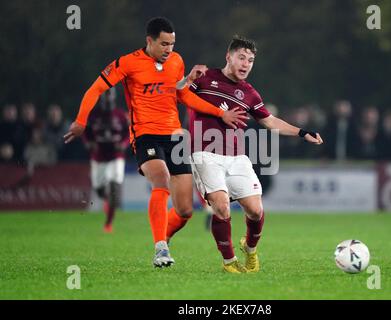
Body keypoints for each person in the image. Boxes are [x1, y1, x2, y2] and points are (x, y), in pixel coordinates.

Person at [63, 17, 246, 268]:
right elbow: (95, 89)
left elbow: (181, 95)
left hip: (173, 135)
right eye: (163, 44)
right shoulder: (128, 63)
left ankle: (164, 238)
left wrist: (220, 113)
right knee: (161, 179)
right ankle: (160, 249)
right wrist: (81, 121)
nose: (168, 49)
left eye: (171, 43)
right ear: (149, 41)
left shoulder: (176, 61)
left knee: (185, 211)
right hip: (144, 133)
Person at [165, 35, 323, 273]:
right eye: (241, 57)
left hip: (237, 158)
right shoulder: (205, 78)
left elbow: (269, 121)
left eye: (250, 60)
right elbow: (173, 94)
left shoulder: (249, 92)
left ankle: (249, 249)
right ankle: (229, 262)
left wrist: (301, 132)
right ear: (228, 57)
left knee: (256, 210)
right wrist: (187, 79)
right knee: (220, 206)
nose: (246, 64)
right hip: (204, 155)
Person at [83, 88, 129, 233]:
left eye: (110, 95)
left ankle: (108, 224)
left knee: (115, 192)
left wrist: (124, 144)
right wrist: (88, 142)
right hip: (99, 157)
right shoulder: (94, 115)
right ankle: (106, 200)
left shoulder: (121, 115)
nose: (108, 99)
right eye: (106, 95)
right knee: (99, 190)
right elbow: (85, 131)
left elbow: (129, 132)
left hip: (116, 157)